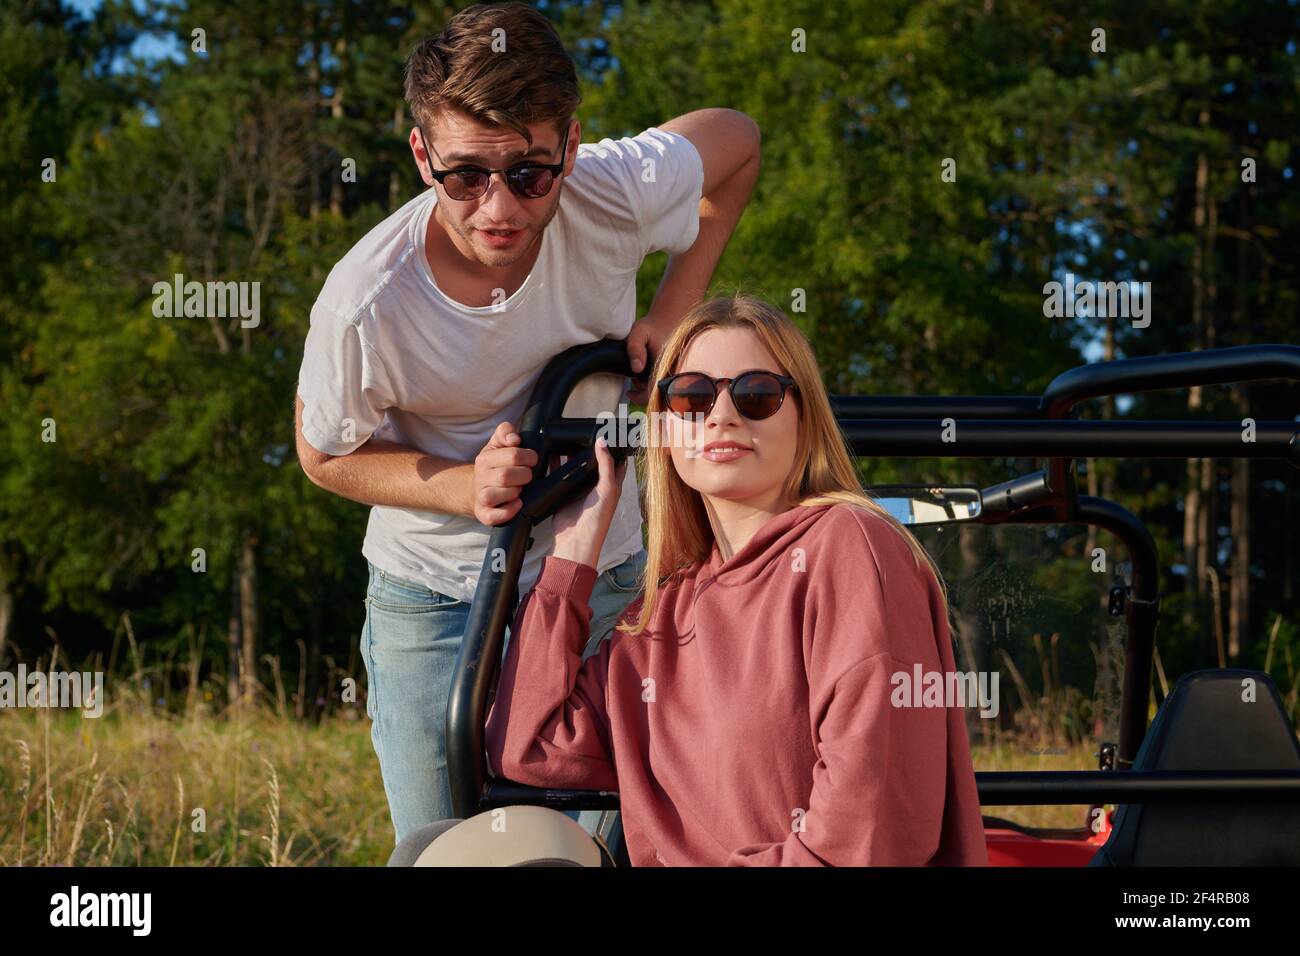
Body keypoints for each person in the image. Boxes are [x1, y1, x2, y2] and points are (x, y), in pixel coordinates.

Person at [293, 2, 761, 845]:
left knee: (608, 844)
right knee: (446, 852)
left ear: (571, 149)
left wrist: (675, 309)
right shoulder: (365, 303)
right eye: (466, 175)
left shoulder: (612, 191)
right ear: (422, 156)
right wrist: (460, 486)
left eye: (530, 174)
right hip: (433, 597)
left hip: (605, 577)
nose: (497, 206)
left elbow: (737, 139)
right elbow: (323, 453)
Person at [392, 294, 989, 866]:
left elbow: (867, 837)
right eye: (691, 398)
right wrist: (573, 558)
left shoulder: (851, 546)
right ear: (664, 428)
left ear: (804, 418)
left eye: (758, 394)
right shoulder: (668, 611)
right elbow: (528, 746)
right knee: (432, 850)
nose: (722, 415)